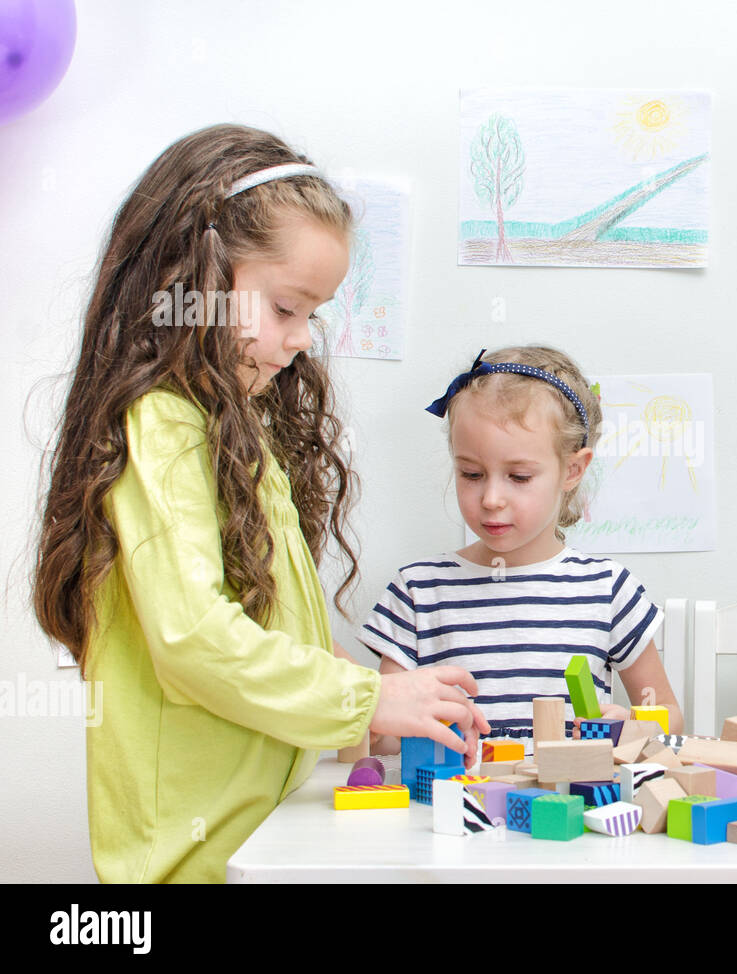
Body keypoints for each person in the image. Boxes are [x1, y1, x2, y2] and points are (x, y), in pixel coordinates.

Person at [32, 124, 488, 883]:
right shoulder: (164, 426)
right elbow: (195, 641)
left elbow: (273, 619)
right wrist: (365, 698)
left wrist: (376, 694)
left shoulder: (230, 432)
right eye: (284, 307)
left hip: (253, 847)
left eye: (313, 313)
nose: (302, 338)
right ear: (197, 280)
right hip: (191, 860)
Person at [359, 346, 683, 754]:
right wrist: (380, 729)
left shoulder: (607, 589)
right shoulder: (419, 591)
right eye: (471, 473)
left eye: (519, 476)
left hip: (571, 805)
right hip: (451, 807)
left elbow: (669, 713)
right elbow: (384, 734)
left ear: (572, 470)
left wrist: (632, 722)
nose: (491, 498)